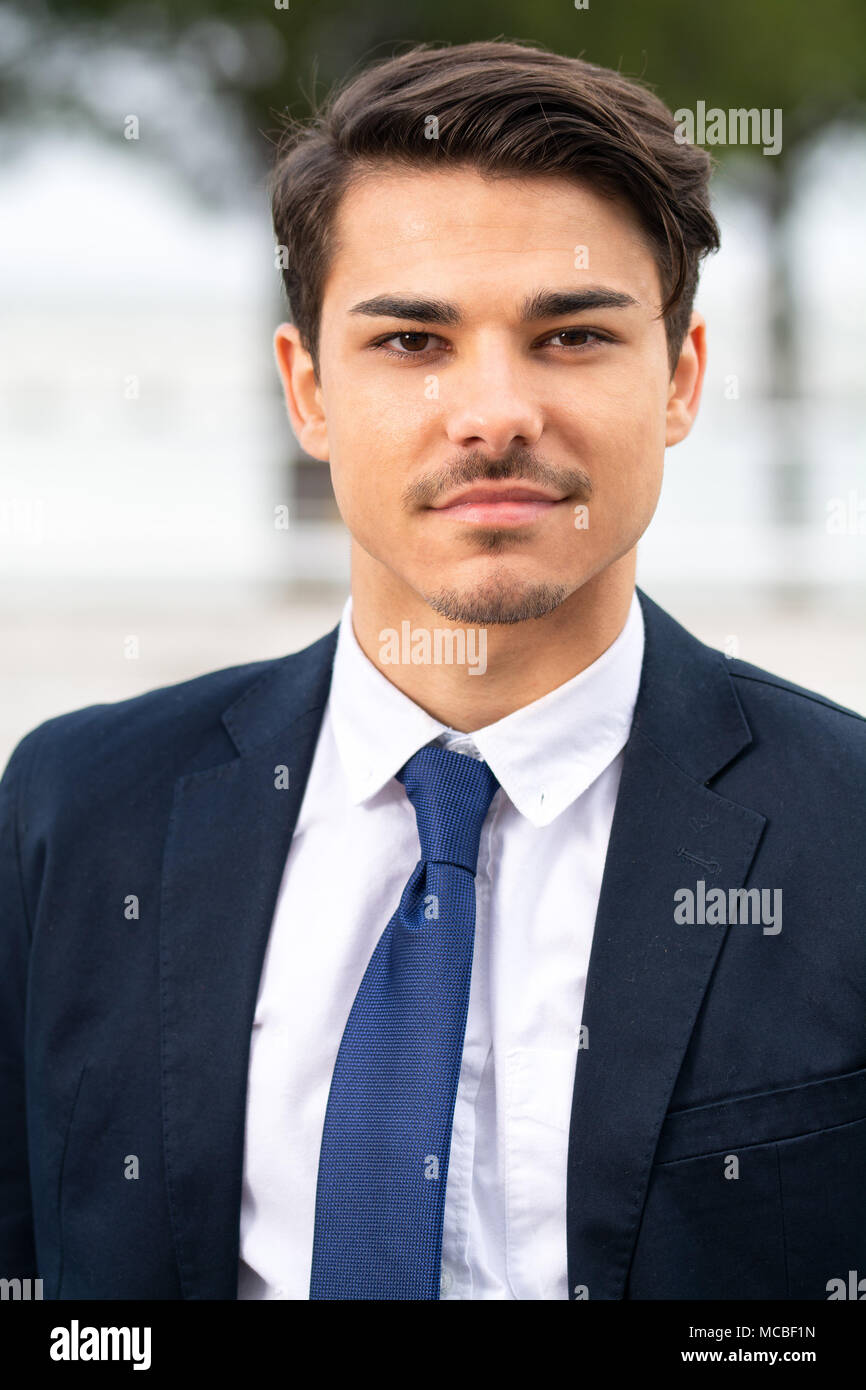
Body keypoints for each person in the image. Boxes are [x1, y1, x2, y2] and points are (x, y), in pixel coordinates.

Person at [1, 39, 864, 1303]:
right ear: (306, 391)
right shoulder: (76, 811)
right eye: (412, 340)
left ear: (677, 379)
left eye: (570, 335)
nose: (493, 411)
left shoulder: (844, 829)